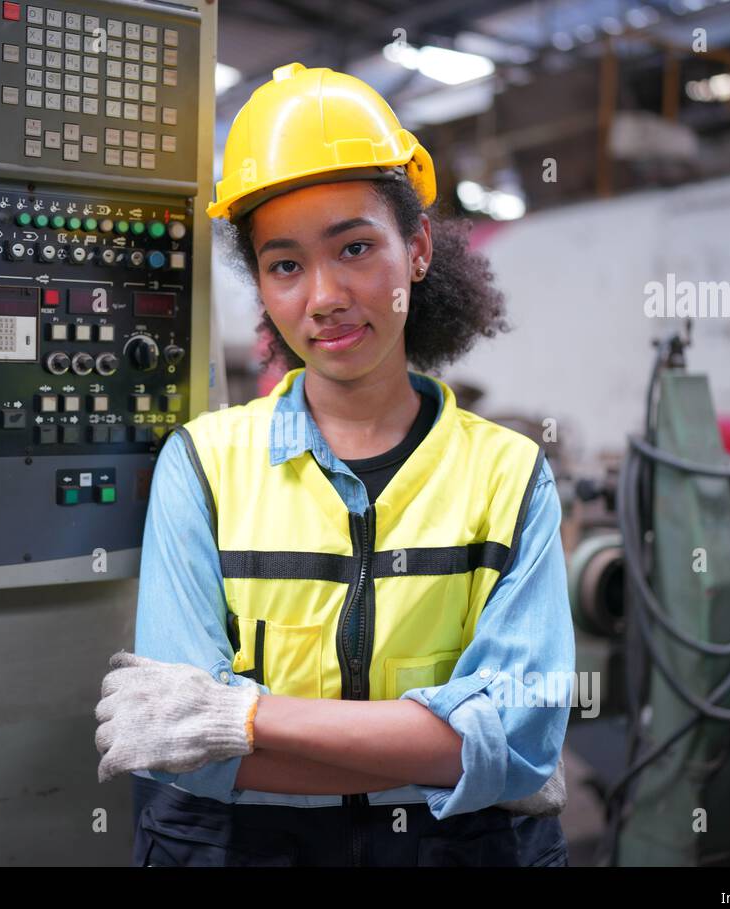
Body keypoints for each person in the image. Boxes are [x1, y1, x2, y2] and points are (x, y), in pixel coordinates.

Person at [95, 63, 575, 866]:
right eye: (285, 265)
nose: (323, 296)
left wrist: (239, 718)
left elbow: (520, 742)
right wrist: (441, 744)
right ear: (262, 285)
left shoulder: (511, 476)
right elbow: (178, 749)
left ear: (417, 248)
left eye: (354, 248)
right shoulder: (204, 464)